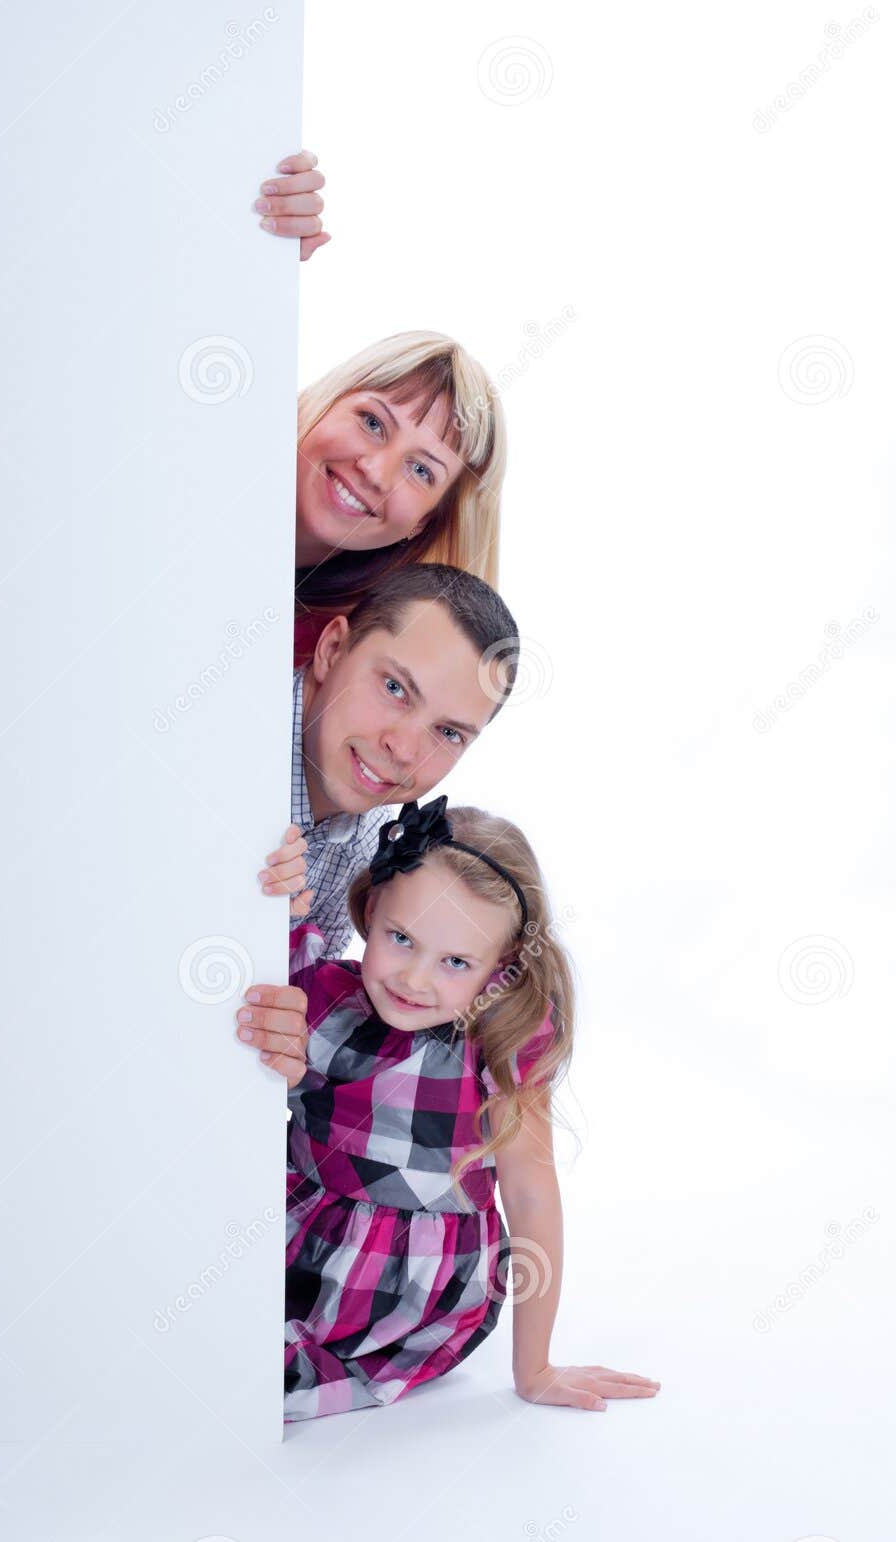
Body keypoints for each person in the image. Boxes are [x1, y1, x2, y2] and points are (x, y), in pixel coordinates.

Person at [238, 798, 662, 1420]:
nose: (414, 978)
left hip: (399, 1287)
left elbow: (531, 1195)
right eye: (401, 938)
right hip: (284, 1238)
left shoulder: (497, 1046)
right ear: (369, 909)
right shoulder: (321, 994)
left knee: (251, 1387)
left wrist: (535, 1367)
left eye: (456, 962)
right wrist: (279, 894)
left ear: (502, 967)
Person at [254, 154, 509, 663]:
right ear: (326, 403)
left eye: (420, 469)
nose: (374, 470)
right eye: (372, 423)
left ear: (424, 522)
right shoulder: (209, 443)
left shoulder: (343, 657)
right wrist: (250, 241)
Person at [286, 561, 519, 960]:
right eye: (394, 688)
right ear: (331, 650)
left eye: (448, 733)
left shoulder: (371, 854)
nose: (405, 749)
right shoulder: (215, 741)